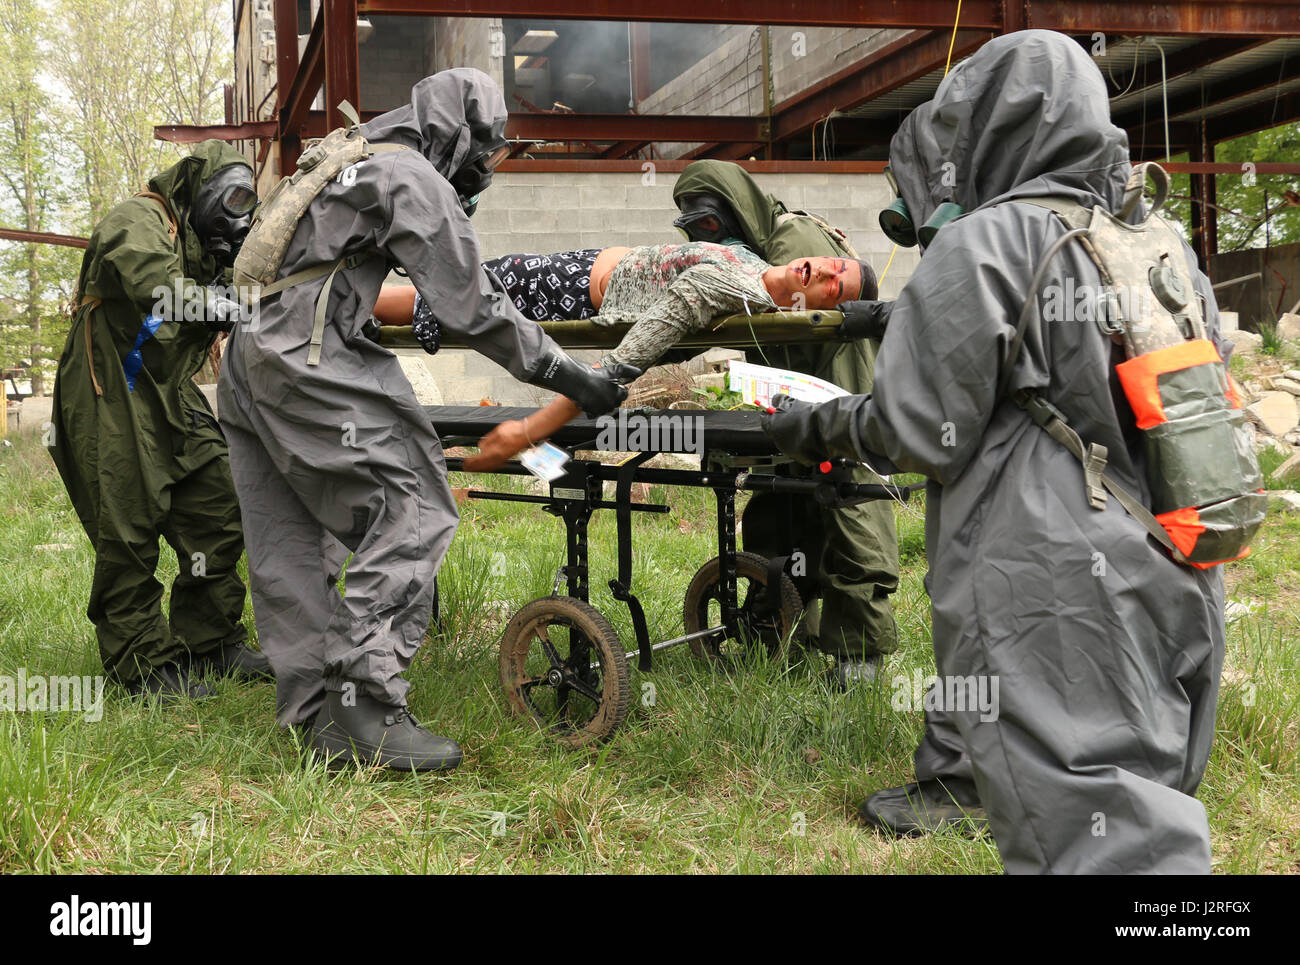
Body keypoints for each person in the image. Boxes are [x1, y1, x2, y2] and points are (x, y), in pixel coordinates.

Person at [762, 30, 1228, 873]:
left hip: (1050, 576)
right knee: (1145, 807)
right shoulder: (1159, 242)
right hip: (1175, 558)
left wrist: (812, 422)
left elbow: (913, 428)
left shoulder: (987, 241)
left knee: (1092, 836)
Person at [217, 69, 633, 772]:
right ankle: (367, 703)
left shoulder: (348, 154)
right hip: (308, 353)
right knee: (413, 503)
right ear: (458, 133)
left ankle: (317, 713)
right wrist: (567, 376)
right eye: (482, 157)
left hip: (248, 356)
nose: (481, 175)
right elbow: (472, 300)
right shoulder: (409, 173)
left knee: (289, 533)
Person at [49, 140, 270, 699]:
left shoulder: (202, 241)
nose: (237, 213)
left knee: (219, 505)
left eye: (248, 201)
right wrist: (230, 305)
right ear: (195, 189)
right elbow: (162, 293)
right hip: (110, 387)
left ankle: (210, 640)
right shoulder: (138, 220)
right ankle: (142, 664)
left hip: (169, 388)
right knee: (128, 525)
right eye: (230, 198)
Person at [672, 161, 899, 689]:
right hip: (796, 385)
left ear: (739, 207)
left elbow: (753, 305)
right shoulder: (752, 250)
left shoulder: (789, 240)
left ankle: (859, 661)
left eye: (713, 223)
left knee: (850, 501)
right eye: (696, 228)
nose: (710, 236)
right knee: (782, 507)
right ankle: (786, 628)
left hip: (840, 376)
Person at [458, 243, 873, 470]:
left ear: (811, 306)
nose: (824, 273)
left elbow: (615, 370)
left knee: (439, 299)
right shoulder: (755, 266)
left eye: (834, 288)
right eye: (834, 265)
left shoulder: (733, 293)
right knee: (443, 291)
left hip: (563, 292)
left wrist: (529, 430)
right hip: (575, 265)